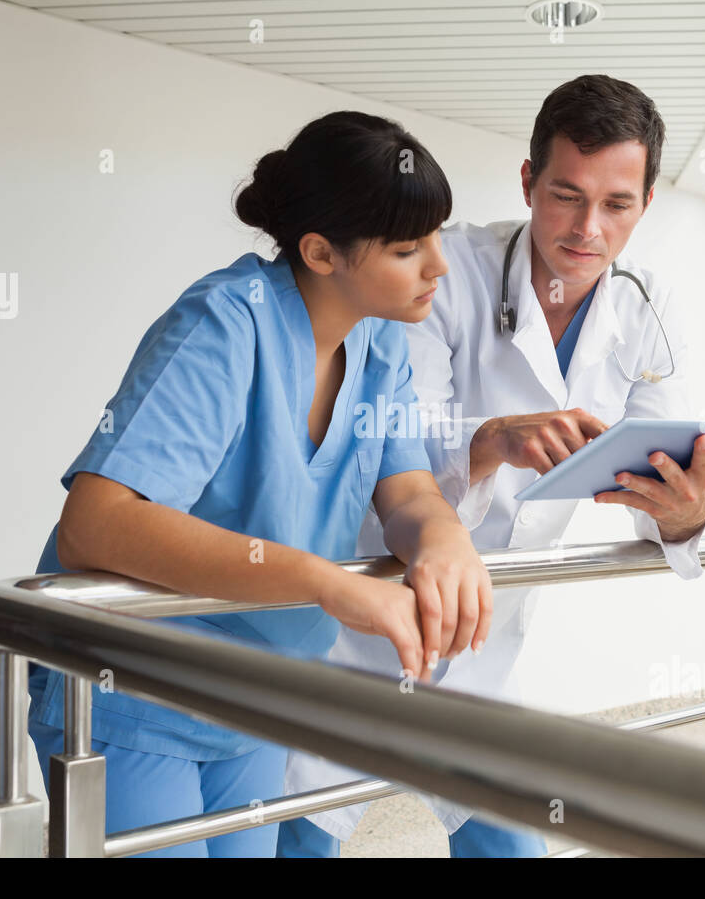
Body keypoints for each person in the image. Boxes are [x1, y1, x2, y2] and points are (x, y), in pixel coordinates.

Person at [278, 76, 705, 858]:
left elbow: (666, 476)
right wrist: (489, 441)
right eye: (565, 195)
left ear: (646, 204)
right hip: (364, 609)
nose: (588, 228)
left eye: (617, 204)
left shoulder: (646, 307)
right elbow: (398, 443)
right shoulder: (440, 270)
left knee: (513, 847)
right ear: (527, 181)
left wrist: (686, 512)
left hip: (486, 631)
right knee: (299, 836)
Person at [25, 110, 495, 857]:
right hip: (138, 693)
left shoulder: (380, 342)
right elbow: (99, 522)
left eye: (437, 237)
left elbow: (405, 492)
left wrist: (443, 540)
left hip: (255, 696)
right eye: (408, 248)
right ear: (320, 252)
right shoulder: (223, 325)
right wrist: (322, 582)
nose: (439, 265)